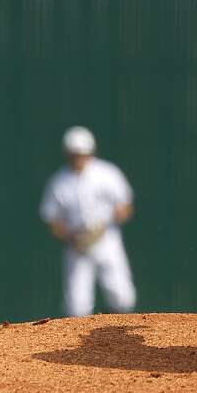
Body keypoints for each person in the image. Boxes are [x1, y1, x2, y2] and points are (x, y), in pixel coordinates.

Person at [39, 126, 137, 317]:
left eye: (82, 153)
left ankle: (117, 336)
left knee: (121, 295)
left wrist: (104, 224)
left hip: (107, 239)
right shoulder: (59, 182)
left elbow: (125, 205)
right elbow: (51, 218)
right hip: (76, 244)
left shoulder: (107, 173)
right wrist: (70, 236)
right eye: (74, 154)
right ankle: (82, 344)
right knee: (77, 305)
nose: (79, 158)